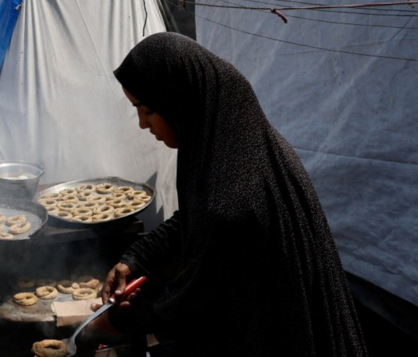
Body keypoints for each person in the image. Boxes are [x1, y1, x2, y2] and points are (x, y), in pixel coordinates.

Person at [91, 32, 366, 356]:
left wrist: (117, 321)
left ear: (179, 101)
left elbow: (194, 300)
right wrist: (136, 258)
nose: (141, 124)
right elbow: (192, 220)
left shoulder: (232, 197)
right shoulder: (234, 148)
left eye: (147, 110)